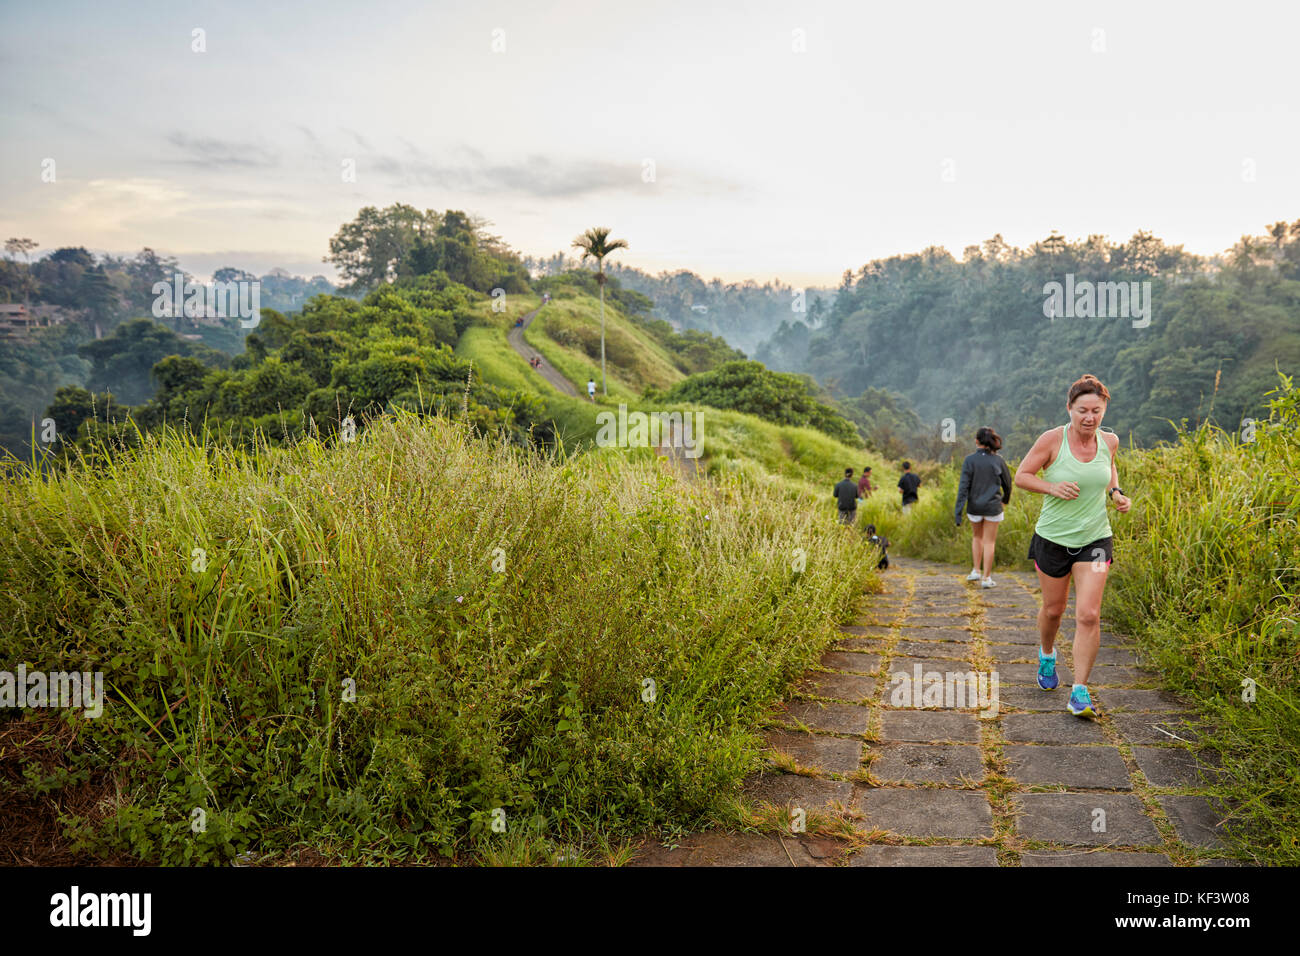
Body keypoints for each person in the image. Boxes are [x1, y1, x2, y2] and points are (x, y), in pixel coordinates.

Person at [1014, 374, 1131, 719]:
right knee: (1054, 610)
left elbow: (1109, 468)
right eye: (1082, 410)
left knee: (1089, 614)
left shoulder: (1109, 441)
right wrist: (1052, 488)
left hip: (1095, 540)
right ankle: (1047, 654)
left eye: (1096, 410)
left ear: (1104, 410)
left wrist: (1116, 493)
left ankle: (1080, 690)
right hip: (1052, 538)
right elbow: (1022, 476)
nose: (1089, 417)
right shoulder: (1052, 440)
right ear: (1069, 409)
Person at [955, 426, 1014, 589]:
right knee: (990, 542)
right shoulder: (998, 460)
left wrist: (958, 512)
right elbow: (1008, 484)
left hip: (974, 507)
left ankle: (975, 570)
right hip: (993, 507)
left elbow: (963, 487)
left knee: (977, 537)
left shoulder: (969, 460)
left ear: (976, 441)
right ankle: (987, 578)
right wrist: (1005, 500)